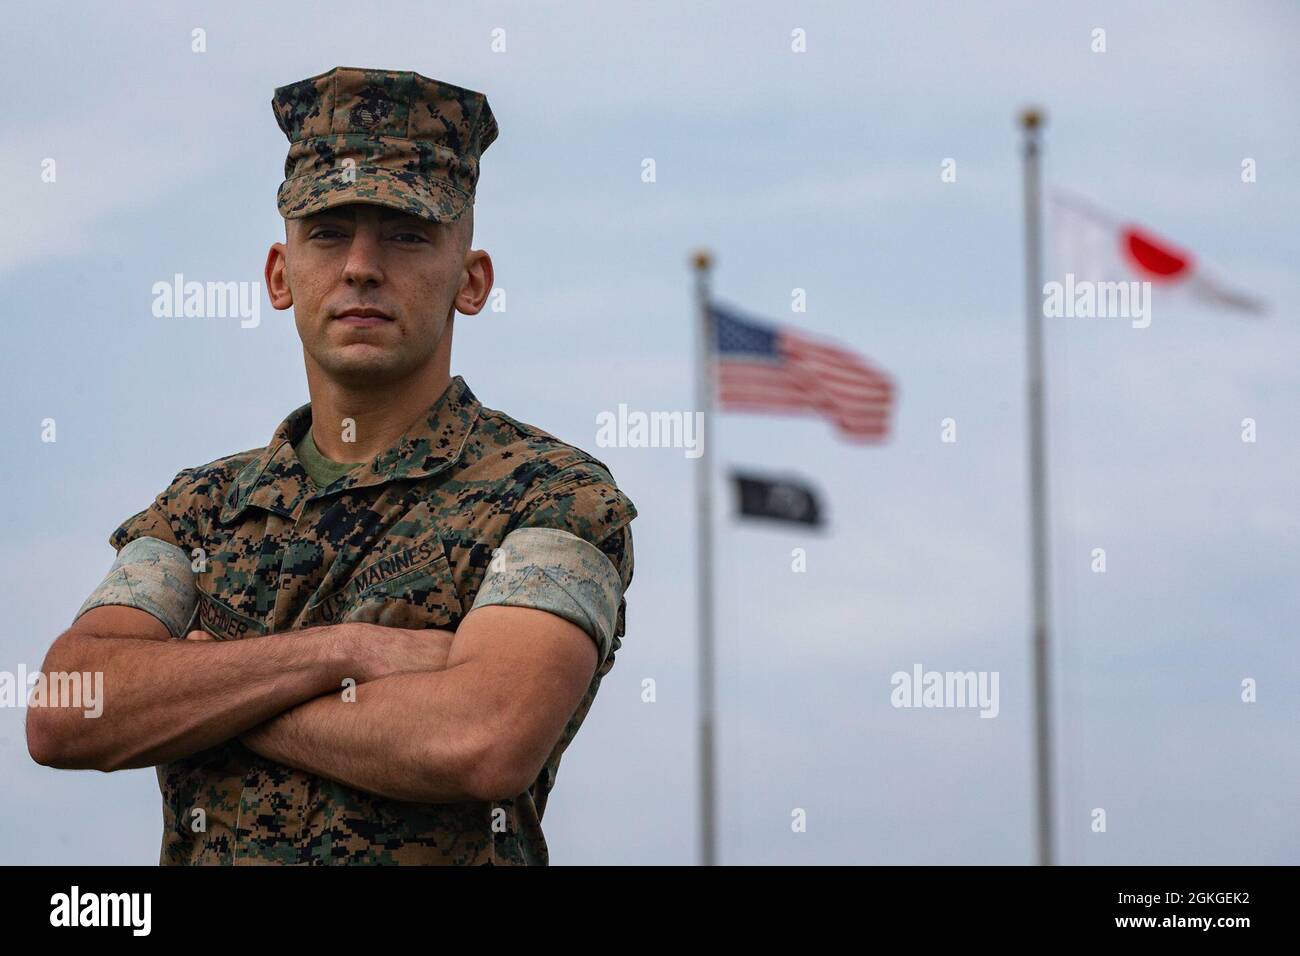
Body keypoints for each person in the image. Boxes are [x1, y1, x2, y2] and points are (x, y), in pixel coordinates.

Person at [27, 66, 637, 866]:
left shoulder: (550, 497)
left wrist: (202, 685)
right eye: (327, 232)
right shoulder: (201, 510)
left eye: (406, 233)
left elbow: (481, 737)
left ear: (472, 280)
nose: (360, 266)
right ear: (281, 277)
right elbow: (66, 709)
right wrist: (344, 652)